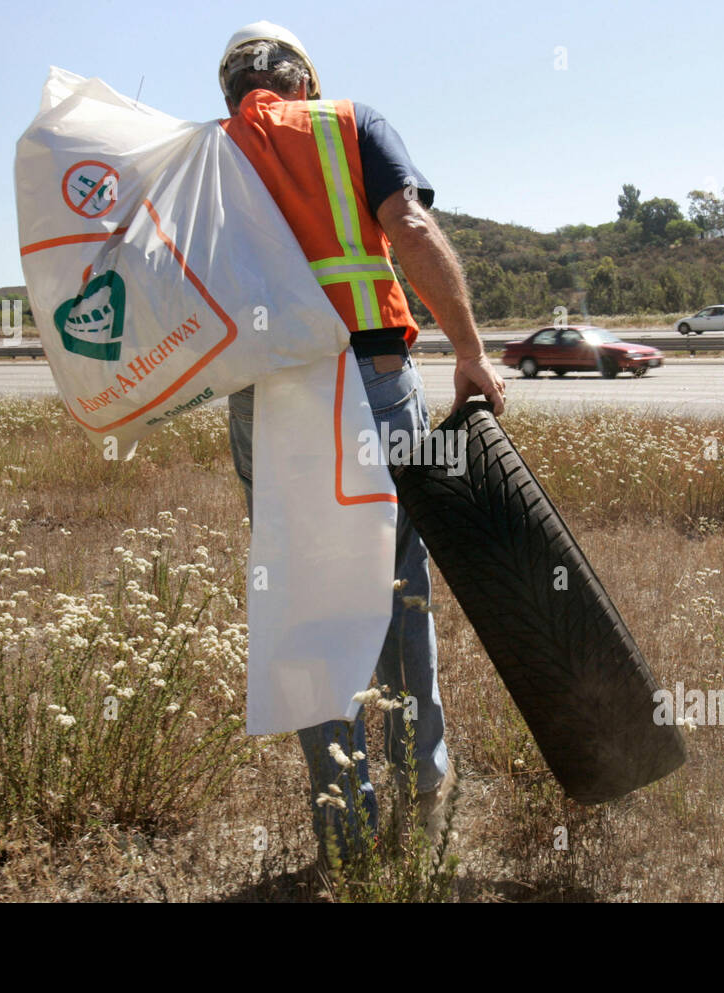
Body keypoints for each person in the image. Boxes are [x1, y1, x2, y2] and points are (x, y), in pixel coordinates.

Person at [215, 21, 506, 867]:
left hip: (266, 401)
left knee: (304, 598)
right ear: (301, 74)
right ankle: (425, 786)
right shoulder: (350, 123)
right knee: (398, 586)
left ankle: (342, 820)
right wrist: (471, 351)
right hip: (371, 384)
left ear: (229, 87)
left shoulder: (204, 160)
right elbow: (408, 229)